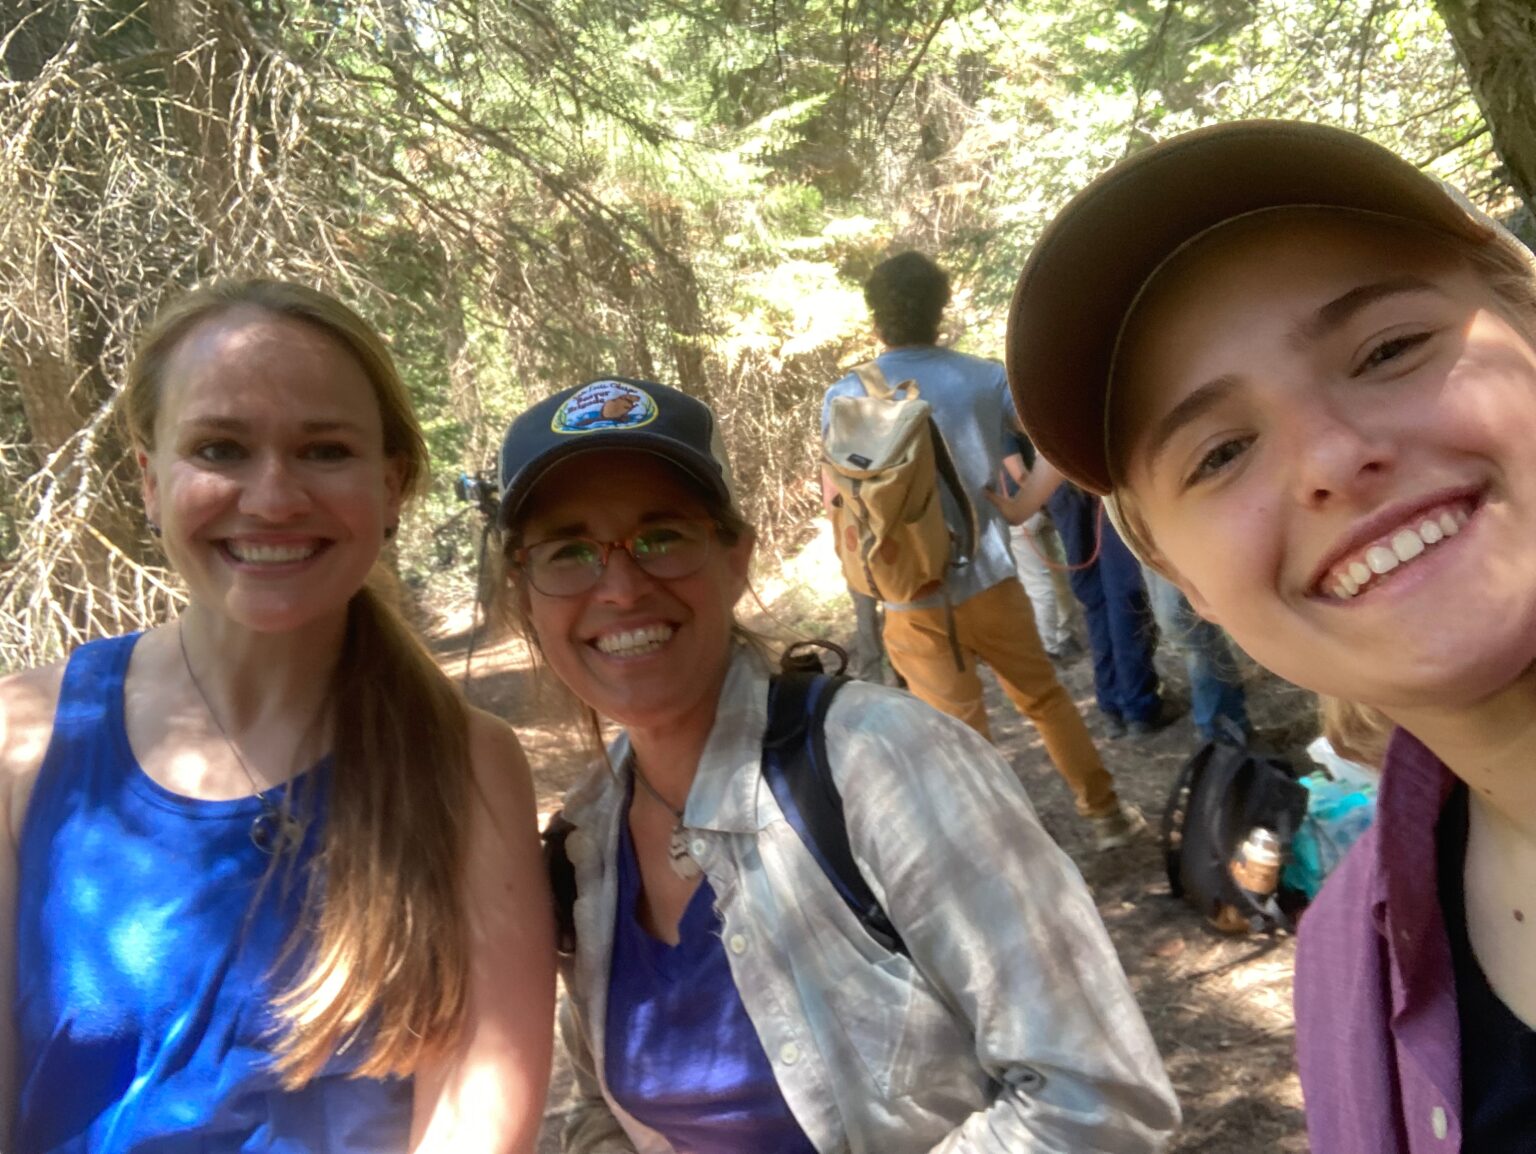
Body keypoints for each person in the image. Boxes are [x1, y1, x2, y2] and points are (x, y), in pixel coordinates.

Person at [1005, 119, 1536, 1153]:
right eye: (1221, 452)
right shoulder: (1349, 962)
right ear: (1184, 580)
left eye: (1389, 348)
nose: (1331, 457)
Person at [495, 376, 1181, 1153]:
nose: (620, 587)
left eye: (662, 536)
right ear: (525, 594)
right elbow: (601, 1110)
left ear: (735, 558)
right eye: (569, 551)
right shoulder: (587, 844)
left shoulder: (882, 763)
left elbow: (1094, 1102)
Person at [0, 279, 555, 1151]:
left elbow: (477, 1117)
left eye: (325, 451)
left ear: (392, 485)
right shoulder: (25, 741)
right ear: (150, 481)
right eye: (220, 448)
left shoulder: (463, 765)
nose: (272, 499)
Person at [822, 251, 1144, 847]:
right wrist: (1021, 508)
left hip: (910, 597)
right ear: (941, 309)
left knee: (960, 734)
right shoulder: (983, 377)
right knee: (1045, 699)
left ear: (876, 315)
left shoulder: (845, 394)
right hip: (991, 578)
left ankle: (1001, 849)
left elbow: (839, 500)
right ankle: (1105, 815)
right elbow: (1057, 446)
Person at [1001, 433, 1081, 662]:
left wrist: (1038, 501)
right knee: (1057, 572)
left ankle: (1049, 645)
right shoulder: (1025, 424)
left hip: (1025, 510)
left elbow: (1019, 473)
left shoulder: (1000, 425)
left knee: (1037, 582)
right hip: (1047, 508)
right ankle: (1066, 634)